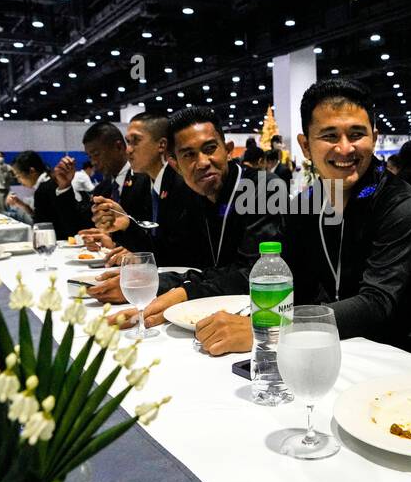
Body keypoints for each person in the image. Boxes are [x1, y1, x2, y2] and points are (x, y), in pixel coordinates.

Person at [139, 81, 411, 361]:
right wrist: (182, 290)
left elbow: (375, 305)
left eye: (357, 134)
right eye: (329, 135)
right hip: (340, 349)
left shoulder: (402, 207)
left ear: (374, 138)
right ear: (306, 145)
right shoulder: (308, 203)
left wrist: (269, 328)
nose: (345, 148)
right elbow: (271, 271)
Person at [89, 109, 278, 322]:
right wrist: (129, 231)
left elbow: (255, 272)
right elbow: (178, 255)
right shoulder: (196, 192)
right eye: (188, 155)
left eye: (210, 148)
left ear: (228, 150)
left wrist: (180, 292)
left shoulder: (263, 188)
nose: (203, 162)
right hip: (212, 314)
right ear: (176, 165)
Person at [90, 110, 194, 259]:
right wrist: (125, 227)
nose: (128, 150)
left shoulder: (183, 184)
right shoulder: (145, 185)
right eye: (128, 142)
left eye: (136, 141)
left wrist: (139, 253)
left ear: (162, 145)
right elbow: (157, 245)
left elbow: (178, 252)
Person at [7, 150, 88, 238]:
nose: (19, 181)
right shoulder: (47, 183)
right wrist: (23, 205)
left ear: (32, 171)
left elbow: (41, 225)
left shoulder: (45, 188)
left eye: (18, 176)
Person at [83, 122, 132, 201]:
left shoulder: (146, 180)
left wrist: (122, 214)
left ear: (118, 147)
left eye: (96, 154)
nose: (93, 162)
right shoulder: (100, 191)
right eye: (89, 157)